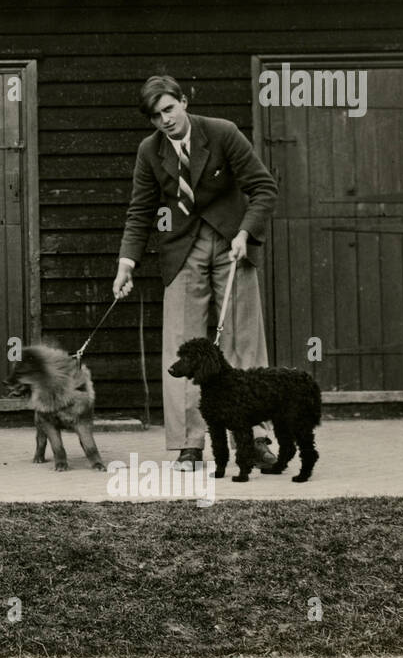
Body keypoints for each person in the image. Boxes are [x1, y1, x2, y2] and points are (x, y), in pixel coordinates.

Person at [113, 75, 279, 470]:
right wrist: (126, 264)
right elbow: (140, 211)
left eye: (169, 109)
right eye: (156, 116)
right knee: (183, 348)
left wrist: (245, 233)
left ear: (184, 102)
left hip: (230, 244)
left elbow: (263, 188)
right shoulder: (150, 152)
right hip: (182, 251)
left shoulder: (222, 133)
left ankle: (255, 438)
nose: (165, 120)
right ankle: (189, 445)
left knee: (244, 343)